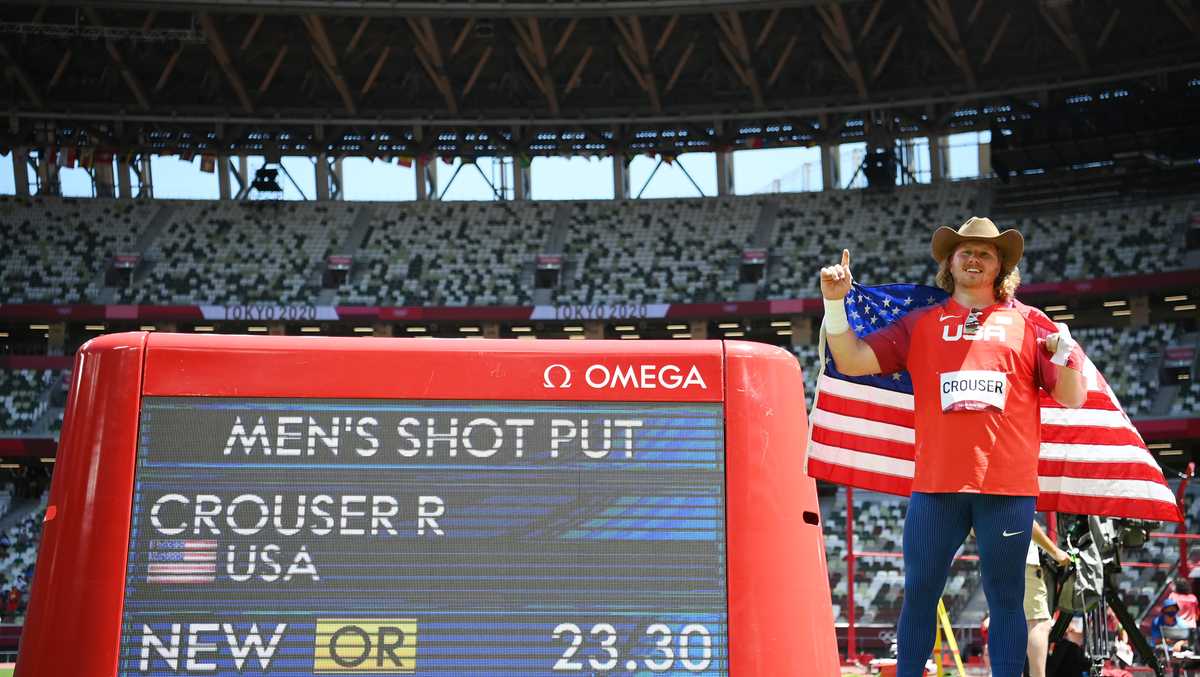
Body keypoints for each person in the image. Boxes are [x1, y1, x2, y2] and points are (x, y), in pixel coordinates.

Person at [818, 216, 1087, 677]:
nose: (974, 258)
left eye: (985, 252)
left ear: (1001, 265)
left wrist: (1065, 357)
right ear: (950, 262)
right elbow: (851, 359)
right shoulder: (920, 323)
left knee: (1005, 599)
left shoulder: (1029, 325)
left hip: (1006, 489)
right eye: (965, 251)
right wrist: (834, 304)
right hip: (935, 486)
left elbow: (1072, 397)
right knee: (920, 591)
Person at [1026, 520, 1071, 677]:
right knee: (1039, 623)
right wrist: (1056, 552)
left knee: (1008, 623)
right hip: (1021, 560)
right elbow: (1025, 519)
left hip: (991, 561)